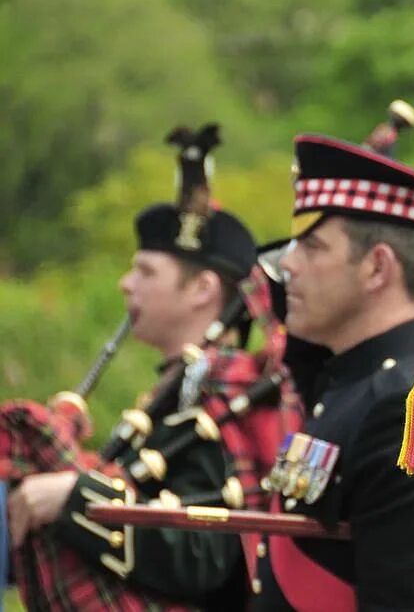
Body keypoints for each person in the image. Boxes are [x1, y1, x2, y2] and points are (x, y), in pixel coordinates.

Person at [4, 124, 299, 610]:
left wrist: (77, 499)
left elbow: (209, 552)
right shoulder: (181, 385)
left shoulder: (223, 387)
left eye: (145, 271)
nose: (124, 284)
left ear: (203, 289)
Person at [251, 101, 414, 611]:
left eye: (311, 247)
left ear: (377, 269)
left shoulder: (405, 406)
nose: (286, 263)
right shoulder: (351, 386)